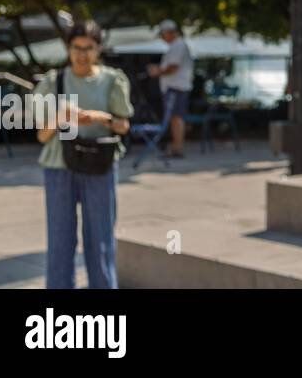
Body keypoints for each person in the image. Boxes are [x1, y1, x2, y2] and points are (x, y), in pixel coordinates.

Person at [33, 20, 134, 289]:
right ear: (68, 48)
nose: (82, 54)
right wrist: (61, 116)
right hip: (59, 166)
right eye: (76, 48)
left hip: (100, 165)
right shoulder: (53, 81)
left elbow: (123, 125)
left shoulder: (112, 79)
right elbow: (42, 136)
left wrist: (102, 118)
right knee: (60, 241)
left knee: (101, 239)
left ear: (98, 48)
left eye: (88, 48)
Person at [148, 19, 192, 158]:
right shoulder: (176, 46)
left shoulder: (178, 45)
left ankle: (177, 148)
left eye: (163, 34)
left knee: (176, 118)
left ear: (170, 32)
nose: (162, 37)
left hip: (176, 87)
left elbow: (173, 67)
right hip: (175, 87)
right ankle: (176, 147)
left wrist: (157, 71)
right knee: (174, 117)